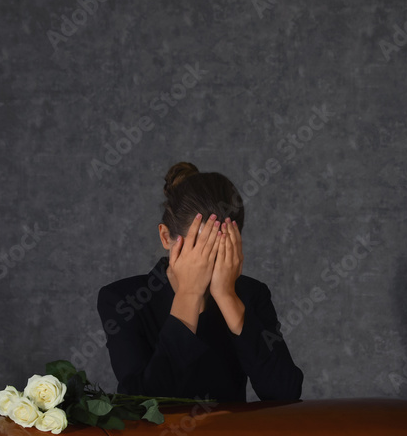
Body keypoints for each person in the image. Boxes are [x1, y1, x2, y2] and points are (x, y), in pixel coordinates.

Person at [97, 162, 304, 402]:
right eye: (199, 248)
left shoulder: (251, 294)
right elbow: (144, 403)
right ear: (166, 237)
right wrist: (189, 295)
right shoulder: (122, 300)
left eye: (221, 248)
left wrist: (227, 297)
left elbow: (284, 393)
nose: (209, 261)